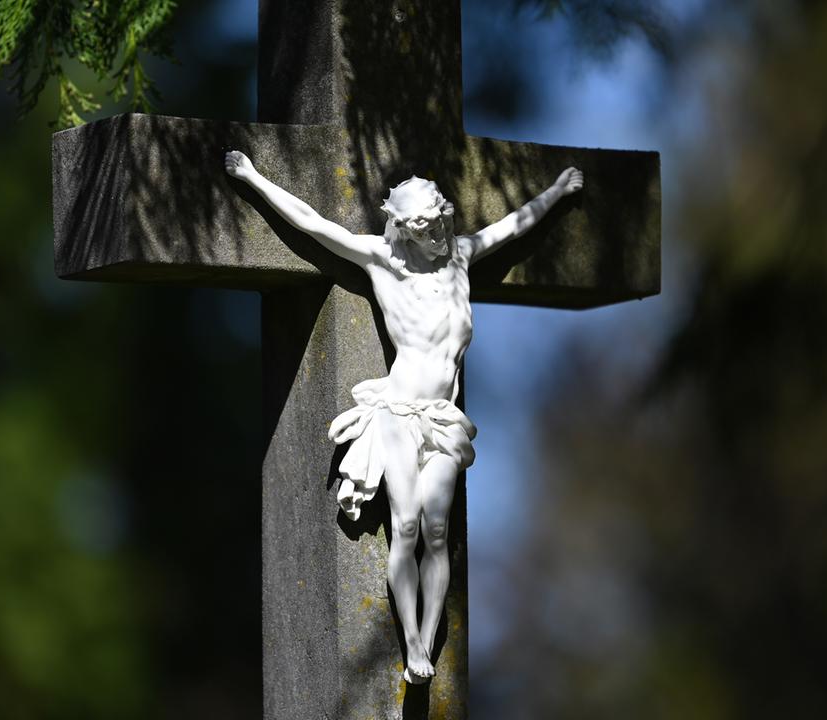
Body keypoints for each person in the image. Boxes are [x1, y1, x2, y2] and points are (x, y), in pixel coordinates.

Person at [224, 150, 583, 684]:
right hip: (396, 412)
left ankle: (428, 642)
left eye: (440, 218)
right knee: (407, 526)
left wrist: (556, 193)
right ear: (402, 227)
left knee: (438, 532)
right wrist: (254, 178)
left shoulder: (460, 258)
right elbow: (312, 223)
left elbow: (510, 227)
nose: (436, 230)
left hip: (444, 418)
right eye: (423, 224)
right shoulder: (380, 263)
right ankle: (411, 642)